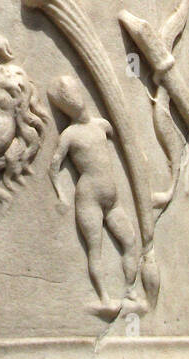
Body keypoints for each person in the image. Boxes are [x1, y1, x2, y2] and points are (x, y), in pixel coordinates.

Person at [48, 74, 138, 314]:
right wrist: (61, 195)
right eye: (67, 99)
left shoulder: (102, 125)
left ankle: (130, 289)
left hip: (113, 198)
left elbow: (127, 143)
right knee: (95, 249)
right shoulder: (68, 135)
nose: (73, 101)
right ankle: (104, 297)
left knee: (129, 240)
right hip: (89, 198)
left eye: (74, 94)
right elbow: (54, 166)